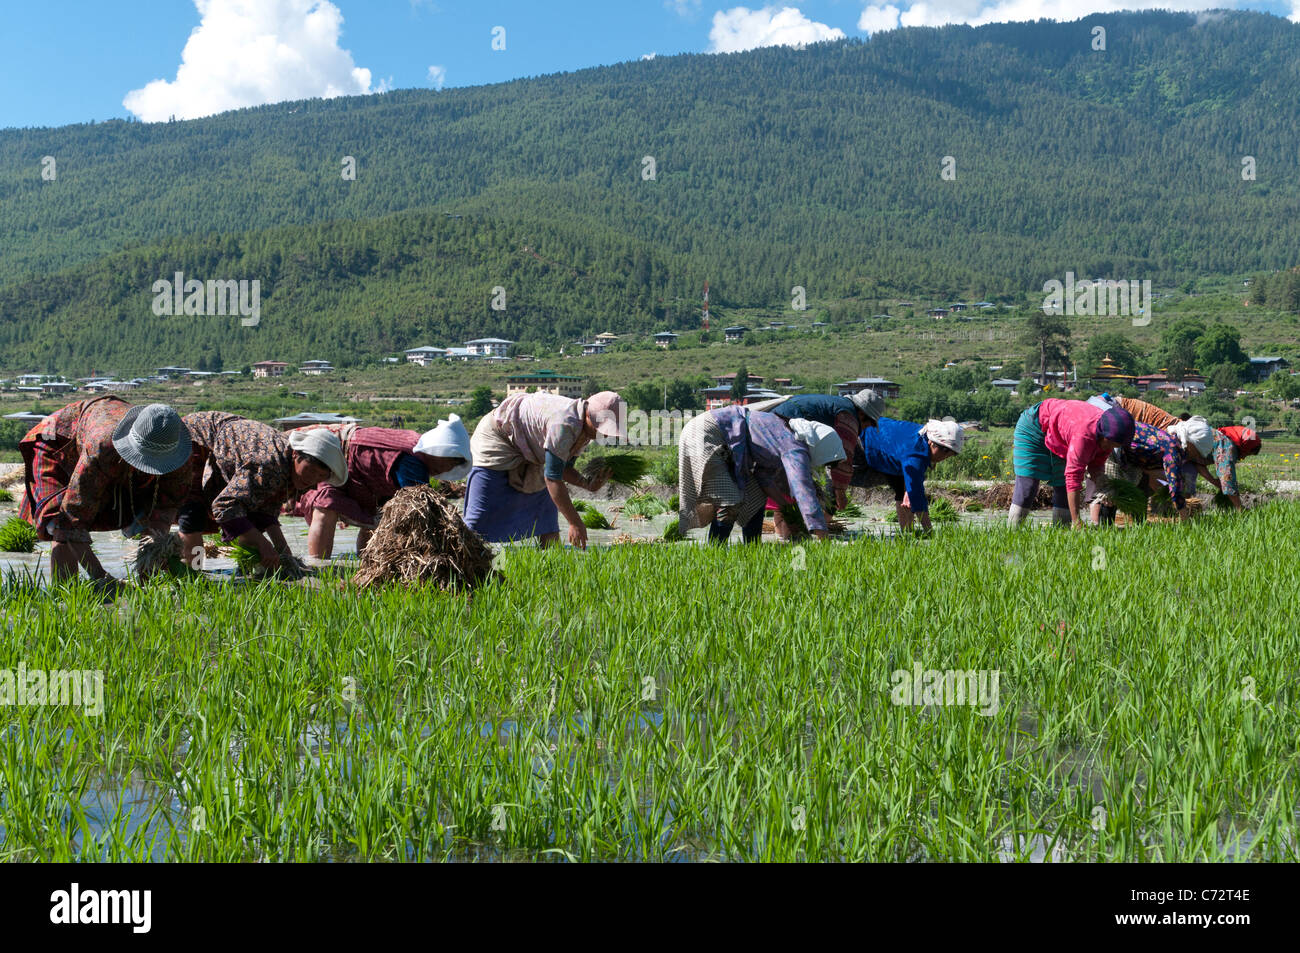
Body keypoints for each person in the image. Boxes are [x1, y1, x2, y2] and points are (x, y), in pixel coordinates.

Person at [19, 398, 192, 587]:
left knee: (149, 521)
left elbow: (164, 509)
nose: (150, 469)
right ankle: (65, 595)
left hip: (105, 452)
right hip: (59, 439)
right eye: (145, 462)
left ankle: (143, 583)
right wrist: (102, 577)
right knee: (57, 520)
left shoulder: (180, 456)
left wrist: (151, 565)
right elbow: (71, 520)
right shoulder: (103, 447)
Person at [178, 412, 346, 572]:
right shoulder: (269, 464)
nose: (312, 478)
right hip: (195, 438)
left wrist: (284, 553)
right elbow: (224, 507)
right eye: (310, 470)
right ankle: (192, 573)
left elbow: (266, 511)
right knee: (194, 513)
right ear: (296, 455)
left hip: (226, 445)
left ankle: (243, 569)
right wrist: (263, 543)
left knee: (248, 521)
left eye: (320, 476)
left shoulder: (293, 473)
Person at [291, 416, 473, 558]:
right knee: (326, 506)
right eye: (451, 462)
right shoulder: (413, 462)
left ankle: (367, 563)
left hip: (366, 478)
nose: (449, 469)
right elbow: (419, 511)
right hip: (338, 458)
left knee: (377, 518)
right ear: (439, 452)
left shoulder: (416, 452)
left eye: (454, 466)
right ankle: (318, 566)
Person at [463, 391, 625, 548]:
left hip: (527, 449)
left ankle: (551, 560)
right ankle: (464, 555)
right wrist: (575, 522)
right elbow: (553, 478)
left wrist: (587, 484)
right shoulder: (565, 424)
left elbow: (563, 469)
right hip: (497, 438)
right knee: (478, 519)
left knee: (546, 514)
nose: (603, 435)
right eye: (600, 428)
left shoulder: (585, 430)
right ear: (588, 415)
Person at [677, 406, 843, 544]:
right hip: (706, 433)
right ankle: (715, 551)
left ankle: (753, 548)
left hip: (727, 444)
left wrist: (787, 511)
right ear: (822, 449)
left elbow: (764, 479)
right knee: (730, 501)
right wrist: (823, 536)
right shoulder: (795, 447)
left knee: (756, 498)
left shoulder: (787, 438)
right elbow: (804, 491)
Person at [1009, 398, 1134, 527]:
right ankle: (1012, 533)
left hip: (1061, 436)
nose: (1112, 448)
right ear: (1104, 436)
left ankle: (1062, 533)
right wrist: (1077, 521)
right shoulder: (1085, 436)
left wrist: (1105, 489)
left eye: (1116, 445)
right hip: (1034, 427)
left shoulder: (1107, 438)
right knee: (1028, 486)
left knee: (1062, 486)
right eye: (1112, 444)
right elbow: (1073, 478)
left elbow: (1095, 468)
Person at [769, 390, 885, 510]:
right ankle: (800, 524)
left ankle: (792, 523)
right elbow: (843, 459)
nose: (867, 428)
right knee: (791, 492)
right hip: (782, 431)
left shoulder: (838, 404)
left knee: (786, 491)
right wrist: (840, 494)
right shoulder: (848, 417)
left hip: (771, 425)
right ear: (862, 414)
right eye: (870, 423)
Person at [1088, 418, 1211, 524]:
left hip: (1132, 461)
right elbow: (1175, 490)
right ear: (1191, 444)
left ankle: (1138, 527)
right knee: (1111, 495)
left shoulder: (1172, 442)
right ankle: (1104, 529)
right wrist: (1185, 519)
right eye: (1198, 451)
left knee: (1139, 496)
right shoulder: (1173, 448)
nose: (1197, 455)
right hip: (1115, 450)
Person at [854, 418, 965, 532]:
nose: (943, 457)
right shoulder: (916, 454)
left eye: (949, 455)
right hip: (860, 444)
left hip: (887, 448)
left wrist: (909, 490)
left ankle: (907, 533)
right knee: (839, 483)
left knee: (905, 491)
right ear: (931, 442)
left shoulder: (923, 435)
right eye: (943, 451)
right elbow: (917, 496)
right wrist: (929, 531)